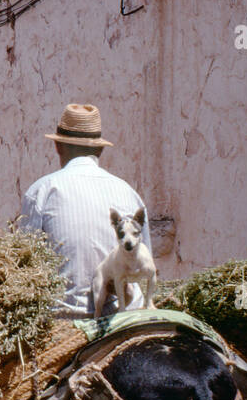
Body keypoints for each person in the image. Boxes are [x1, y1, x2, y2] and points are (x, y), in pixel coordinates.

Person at [18, 103, 152, 318]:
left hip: (66, 316)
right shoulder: (129, 193)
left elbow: (23, 269)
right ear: (100, 149)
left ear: (58, 147)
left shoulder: (42, 190)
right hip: (127, 317)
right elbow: (145, 264)